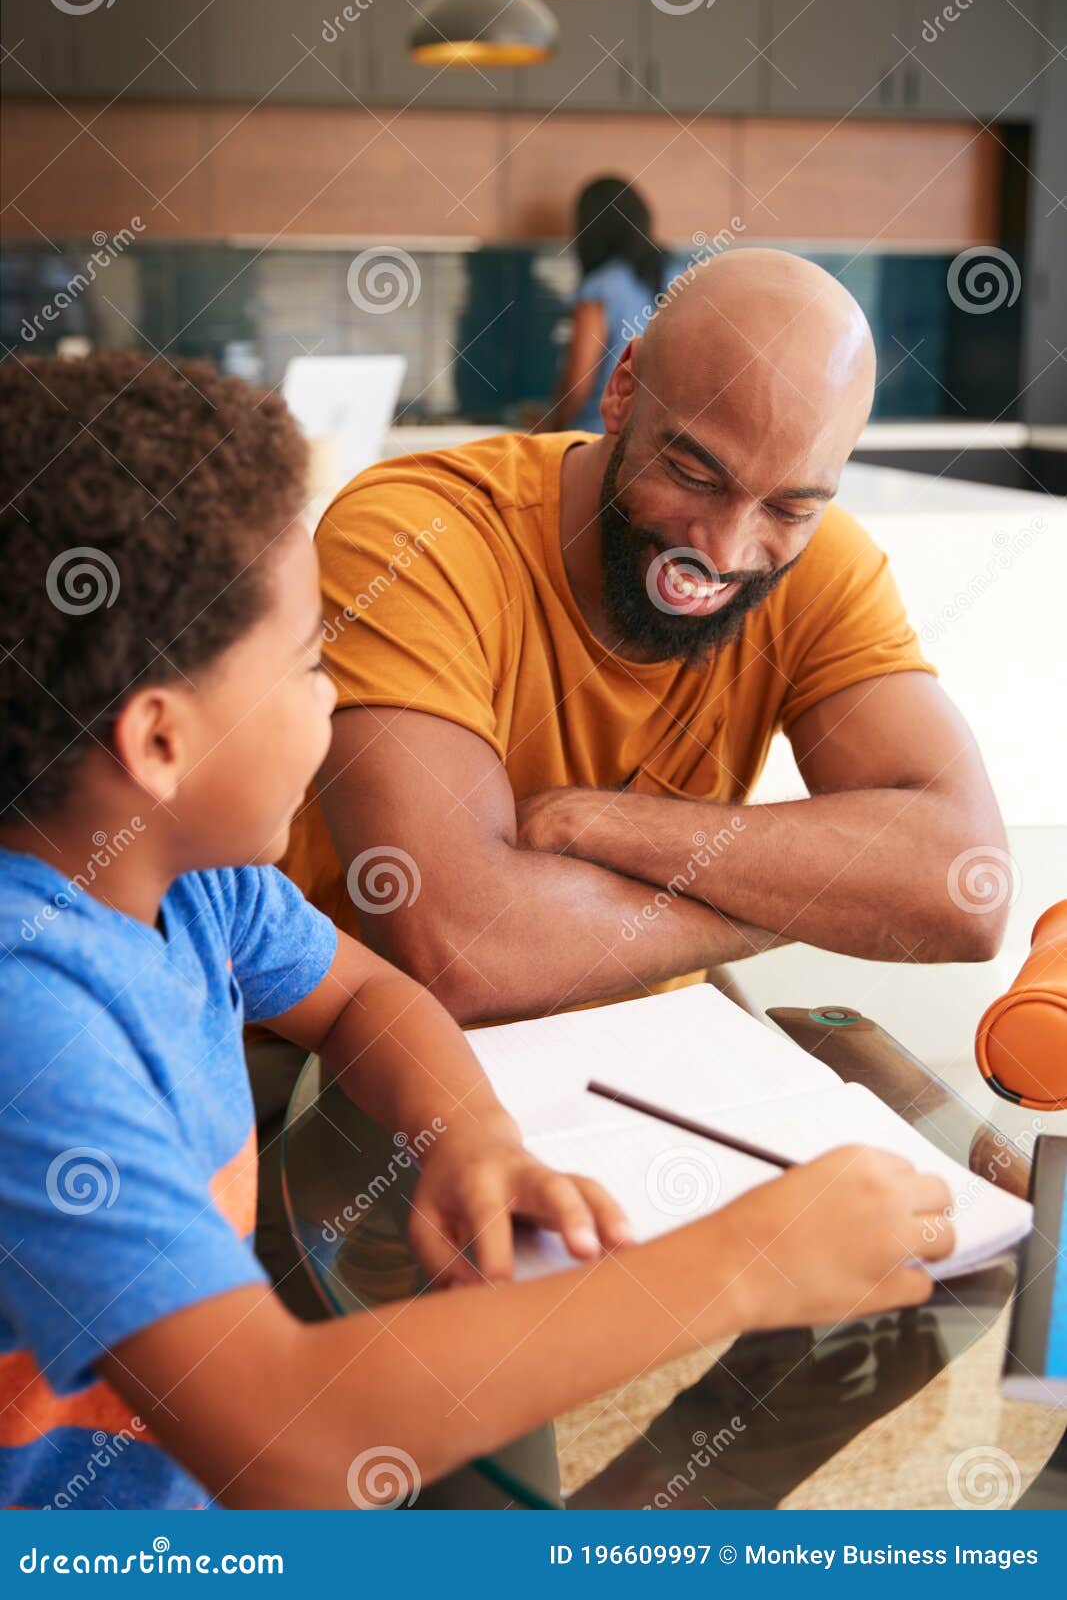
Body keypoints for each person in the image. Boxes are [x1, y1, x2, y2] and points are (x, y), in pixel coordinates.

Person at [0, 352, 956, 1511]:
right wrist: (745, 1265)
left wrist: (467, 1133)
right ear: (160, 743)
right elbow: (286, 1436)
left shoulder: (193, 882)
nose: (332, 696)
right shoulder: (33, 1022)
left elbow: (364, 998)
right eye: (310, 662)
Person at [279, 247, 1008, 1035]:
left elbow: (968, 889)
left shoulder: (825, 565)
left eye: (789, 510)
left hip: (647, 1066)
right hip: (357, 1078)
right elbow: (458, 952)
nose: (724, 551)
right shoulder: (415, 536)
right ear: (621, 389)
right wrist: (820, 897)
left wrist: (597, 825)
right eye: (696, 475)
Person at [549, 176, 668, 432]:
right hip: (655, 438)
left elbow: (577, 386)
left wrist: (548, 431)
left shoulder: (599, 289)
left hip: (598, 438)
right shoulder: (679, 278)